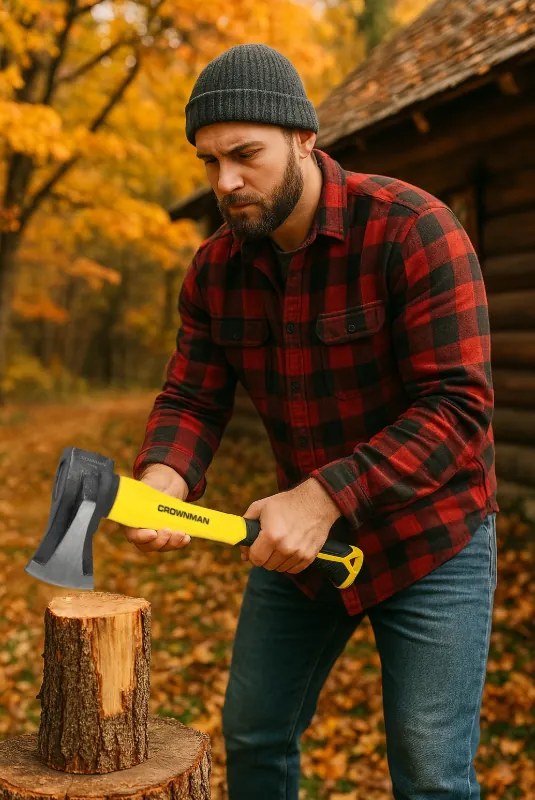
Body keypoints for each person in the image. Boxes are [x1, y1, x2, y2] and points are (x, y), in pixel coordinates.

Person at [125, 44, 498, 800]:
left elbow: (457, 410)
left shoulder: (412, 229)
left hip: (433, 540)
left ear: (304, 139)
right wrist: (165, 473)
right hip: (297, 549)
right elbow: (192, 398)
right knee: (254, 734)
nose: (224, 181)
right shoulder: (215, 270)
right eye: (208, 161)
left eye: (244, 155)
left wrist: (322, 495)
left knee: (430, 775)